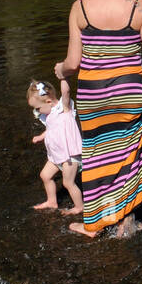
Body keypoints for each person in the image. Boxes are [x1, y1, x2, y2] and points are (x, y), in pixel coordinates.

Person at [55, 0, 142, 238]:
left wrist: (58, 69)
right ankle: (125, 217)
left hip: (93, 95)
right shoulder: (141, 5)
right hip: (129, 92)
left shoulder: (80, 7)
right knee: (129, 154)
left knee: (98, 155)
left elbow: (73, 63)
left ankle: (94, 223)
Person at [29, 79, 83, 214]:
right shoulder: (49, 115)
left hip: (70, 155)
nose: (36, 113)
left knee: (68, 183)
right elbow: (51, 128)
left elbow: (66, 92)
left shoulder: (64, 110)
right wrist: (41, 137)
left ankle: (79, 206)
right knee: (45, 175)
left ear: (48, 102)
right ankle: (52, 201)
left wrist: (63, 77)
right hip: (56, 155)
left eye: (37, 109)